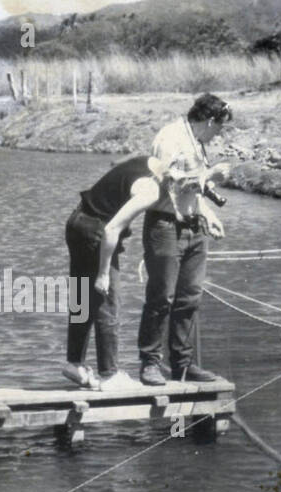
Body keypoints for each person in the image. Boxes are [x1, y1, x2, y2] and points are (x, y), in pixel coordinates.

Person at [63, 155, 217, 391]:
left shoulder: (151, 161)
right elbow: (111, 228)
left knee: (82, 298)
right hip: (97, 232)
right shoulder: (150, 192)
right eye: (187, 186)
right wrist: (103, 272)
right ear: (175, 182)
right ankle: (110, 374)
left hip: (78, 220)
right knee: (107, 300)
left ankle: (74, 363)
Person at [139, 93, 233, 385]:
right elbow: (168, 181)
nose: (219, 134)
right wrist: (209, 176)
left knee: (190, 298)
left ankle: (182, 365)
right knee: (161, 297)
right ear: (208, 120)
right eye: (219, 128)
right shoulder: (169, 137)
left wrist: (208, 214)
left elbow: (190, 192)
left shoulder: (197, 141)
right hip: (165, 226)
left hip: (194, 227)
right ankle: (150, 363)